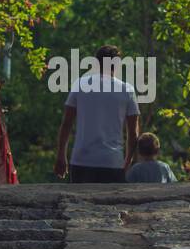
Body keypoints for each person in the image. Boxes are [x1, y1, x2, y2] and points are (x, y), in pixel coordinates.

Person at [54, 45, 139, 182]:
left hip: (82, 160)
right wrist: (129, 160)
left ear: (96, 63)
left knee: (78, 202)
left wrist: (61, 155)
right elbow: (133, 133)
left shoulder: (80, 84)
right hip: (112, 161)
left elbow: (67, 124)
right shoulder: (127, 90)